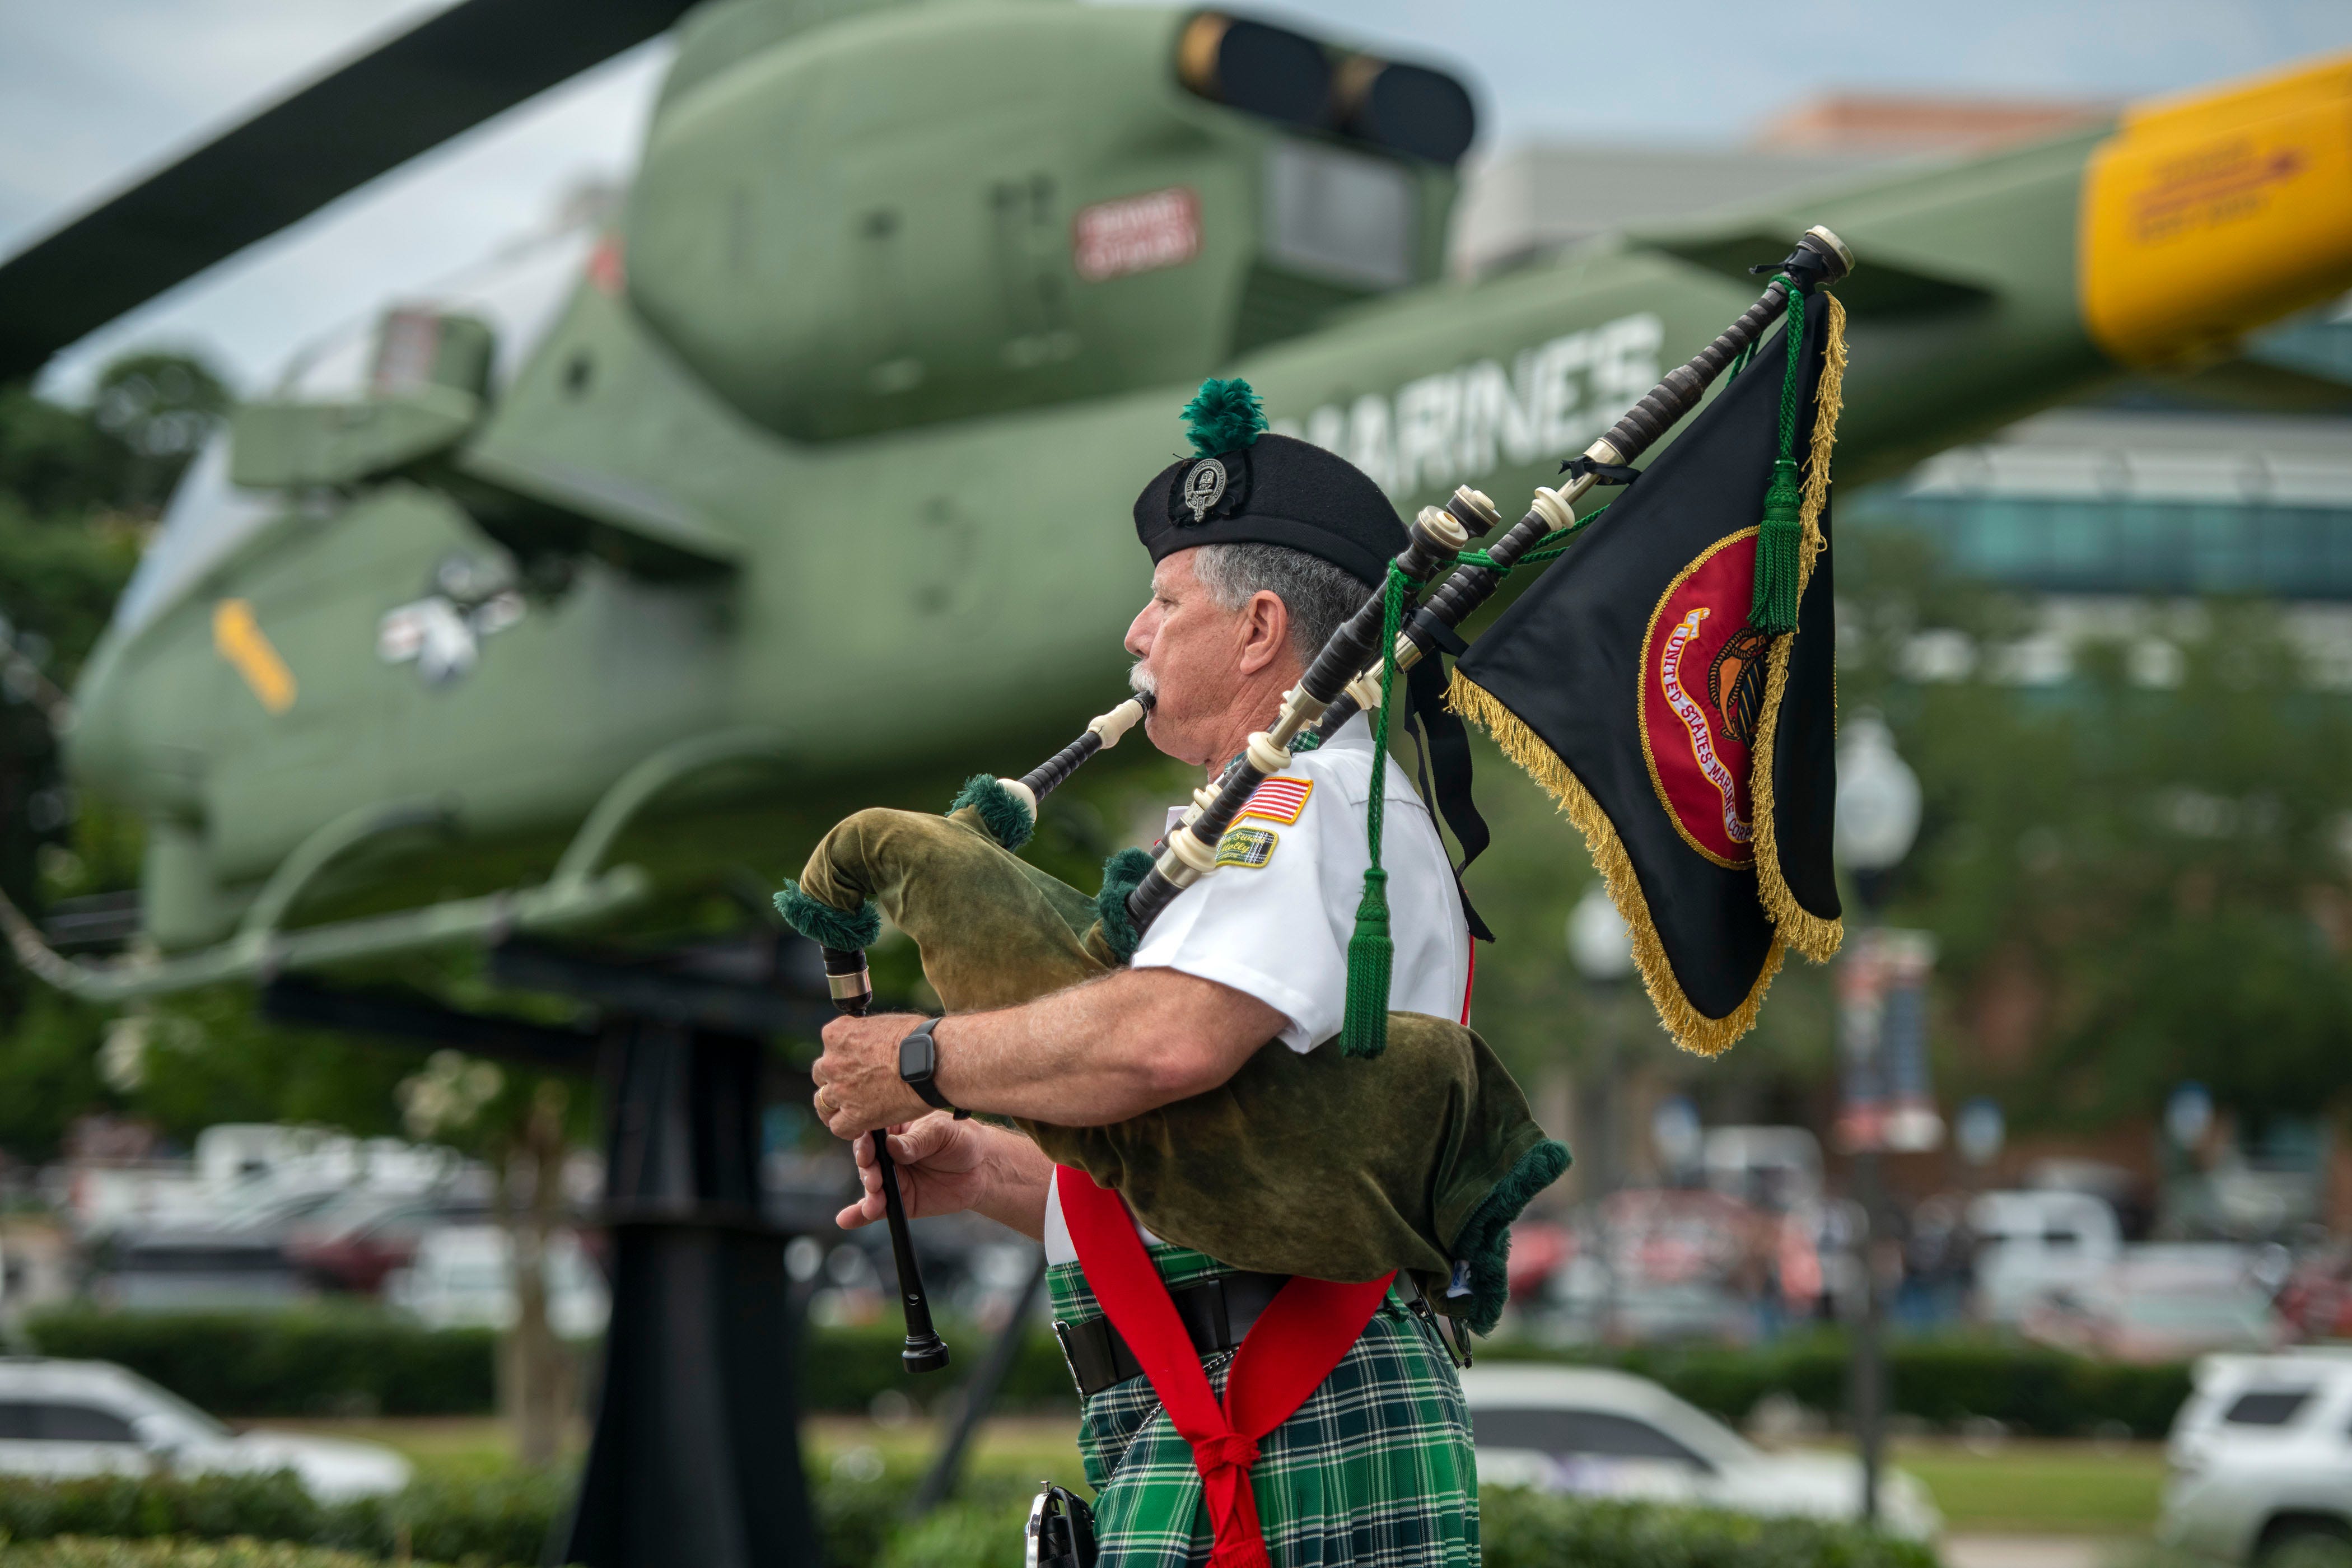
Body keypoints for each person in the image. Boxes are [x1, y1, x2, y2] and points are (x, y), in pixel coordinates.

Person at [809, 381, 1481, 1568]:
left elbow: (1167, 1044)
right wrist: (992, 1171)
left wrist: (924, 1057)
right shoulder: (1265, 815)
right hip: (1211, 1411)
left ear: (1262, 630)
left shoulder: (1308, 799)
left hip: (1279, 1410)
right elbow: (1212, 1158)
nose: (1136, 630)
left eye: (1166, 600)